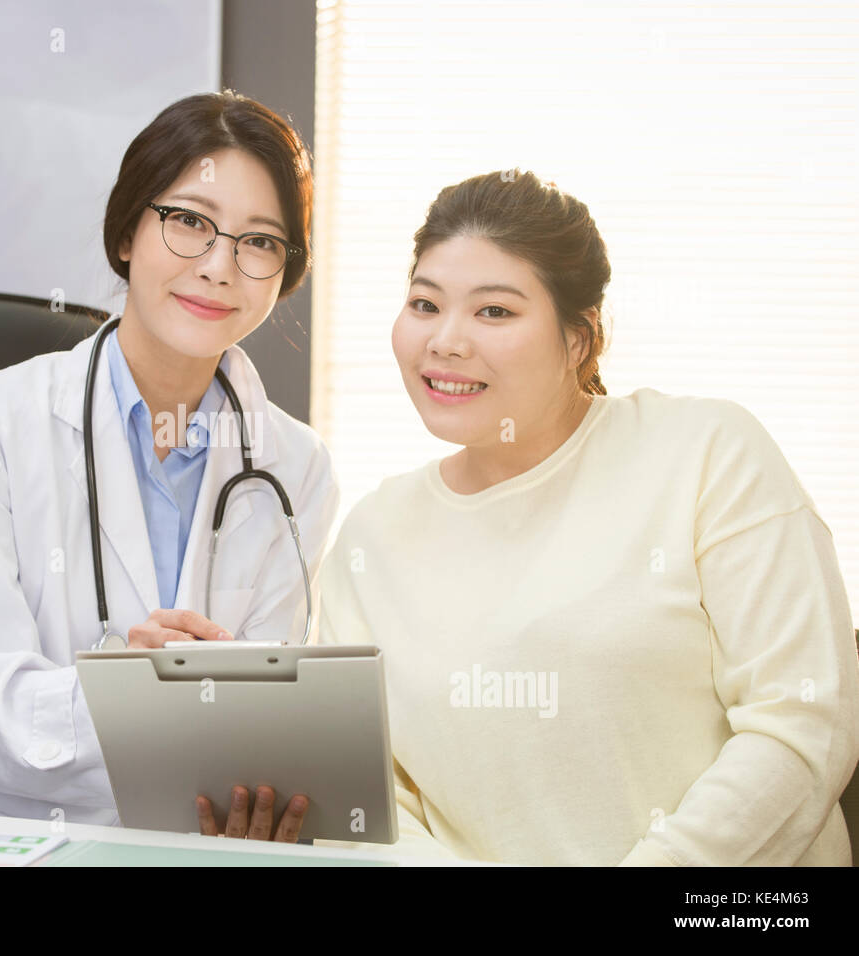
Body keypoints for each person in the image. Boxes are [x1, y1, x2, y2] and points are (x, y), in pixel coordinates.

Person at [315, 169, 859, 865]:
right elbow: (378, 797)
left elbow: (803, 722)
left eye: (495, 312)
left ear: (580, 338)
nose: (445, 340)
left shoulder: (707, 455)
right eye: (425, 304)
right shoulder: (372, 537)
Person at [0, 92, 338, 840]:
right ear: (127, 233)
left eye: (260, 241)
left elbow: (250, 725)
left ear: (285, 272)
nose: (220, 267)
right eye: (189, 221)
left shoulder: (297, 468)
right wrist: (128, 692)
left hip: (175, 845)